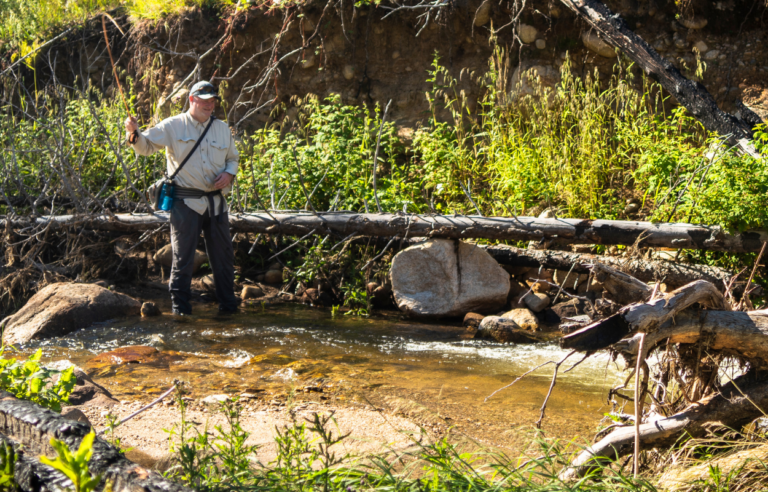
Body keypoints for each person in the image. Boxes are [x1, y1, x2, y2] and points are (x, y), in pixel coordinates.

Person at [125, 81, 239, 315]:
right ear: (192, 100)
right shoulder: (172, 125)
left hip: (217, 204)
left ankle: (229, 310)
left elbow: (233, 159)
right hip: (185, 203)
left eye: (212, 100)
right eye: (204, 100)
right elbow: (145, 146)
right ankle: (181, 313)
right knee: (183, 259)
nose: (210, 105)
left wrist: (229, 173)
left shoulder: (222, 128)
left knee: (224, 259)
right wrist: (132, 133)